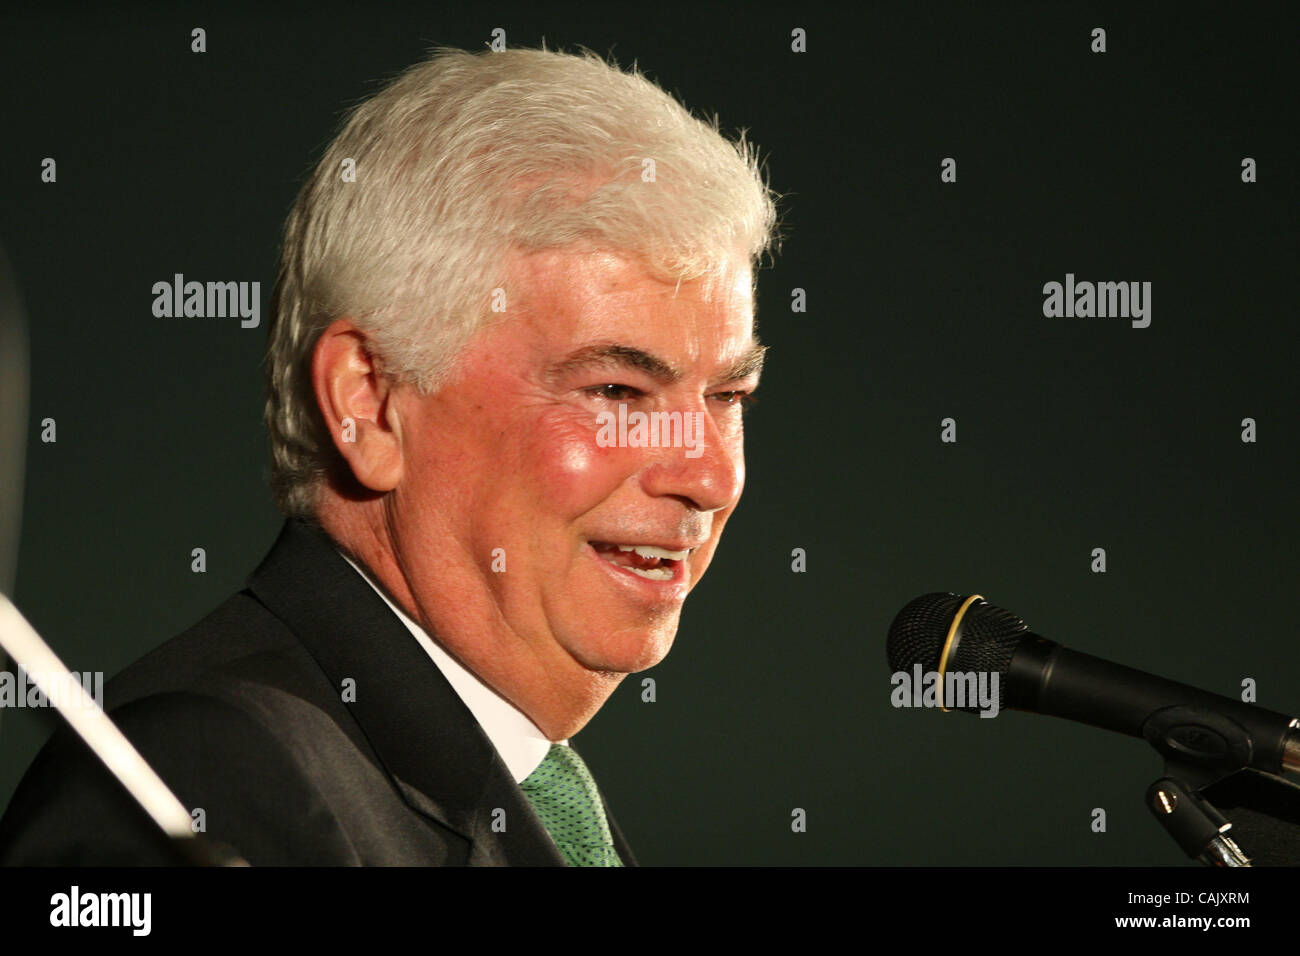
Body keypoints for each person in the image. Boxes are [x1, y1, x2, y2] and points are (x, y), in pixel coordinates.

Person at [0, 46, 778, 866]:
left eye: (728, 398)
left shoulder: (524, 789)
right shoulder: (206, 775)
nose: (709, 476)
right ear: (368, 404)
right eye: (617, 393)